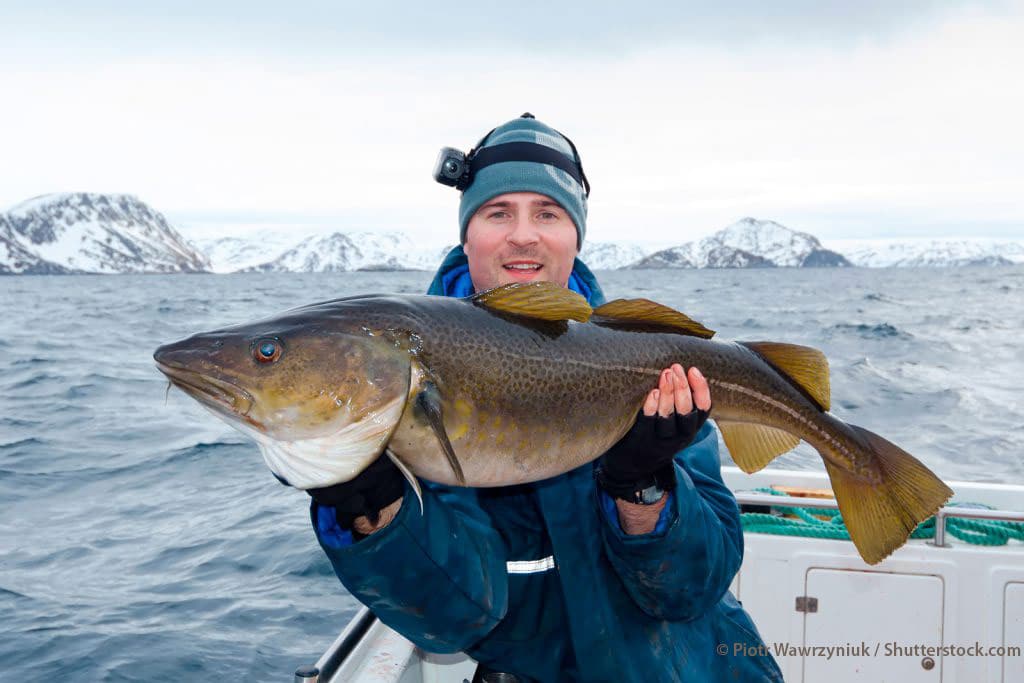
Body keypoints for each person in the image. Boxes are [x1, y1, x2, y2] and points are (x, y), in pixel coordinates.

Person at [308, 114, 783, 682]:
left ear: (576, 236)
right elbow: (452, 619)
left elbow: (691, 590)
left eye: (548, 213)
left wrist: (644, 484)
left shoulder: (656, 363)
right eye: (497, 212)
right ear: (467, 235)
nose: (524, 234)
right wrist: (371, 508)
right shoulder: (406, 379)